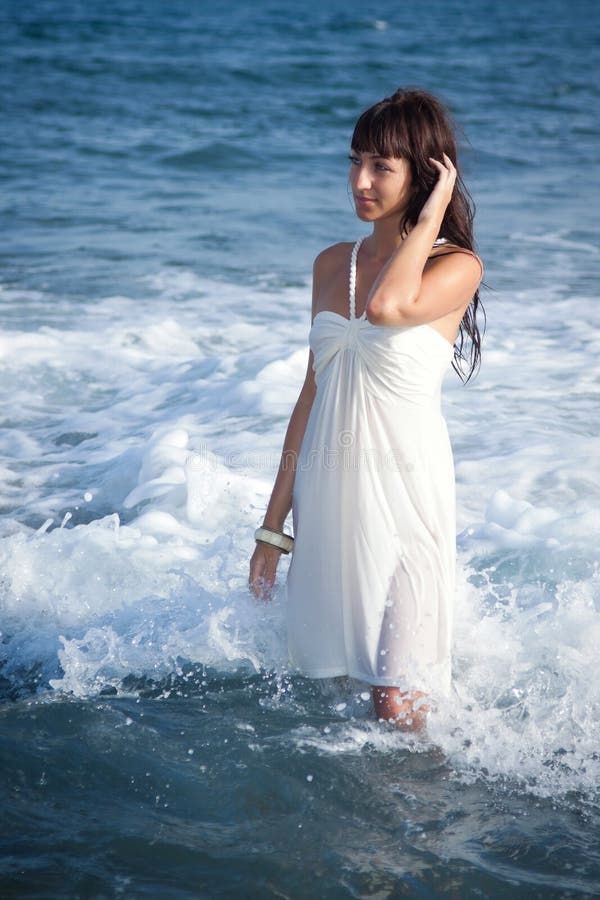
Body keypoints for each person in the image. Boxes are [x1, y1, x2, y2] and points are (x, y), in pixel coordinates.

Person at [248, 88, 484, 732]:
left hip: (406, 496)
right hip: (330, 494)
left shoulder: (457, 267)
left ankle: (431, 791)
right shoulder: (331, 264)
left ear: (427, 174)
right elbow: (310, 394)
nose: (360, 181)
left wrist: (433, 213)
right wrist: (272, 530)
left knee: (395, 695)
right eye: (355, 161)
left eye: (382, 166)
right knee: (339, 688)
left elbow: (387, 308)